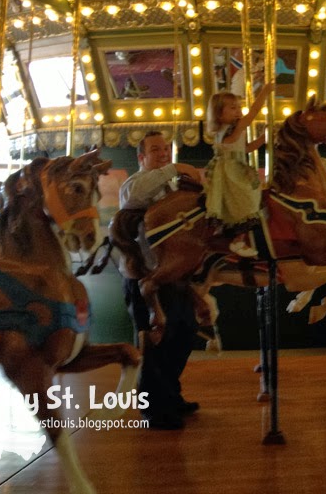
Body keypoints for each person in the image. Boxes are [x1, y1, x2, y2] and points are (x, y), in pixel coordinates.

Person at [119, 130, 202, 430]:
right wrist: (174, 168)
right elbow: (136, 196)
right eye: (156, 150)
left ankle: (170, 395)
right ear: (141, 157)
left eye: (167, 149)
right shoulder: (134, 185)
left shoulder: (170, 191)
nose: (163, 153)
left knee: (184, 334)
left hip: (173, 276)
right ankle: (153, 408)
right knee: (156, 339)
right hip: (143, 276)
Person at [204, 82, 272, 257]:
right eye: (232, 108)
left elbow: (246, 149)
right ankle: (238, 241)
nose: (237, 111)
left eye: (238, 107)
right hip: (231, 172)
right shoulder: (229, 129)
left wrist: (263, 139)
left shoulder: (229, 131)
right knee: (247, 201)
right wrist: (264, 92)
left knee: (248, 200)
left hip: (233, 169)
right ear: (219, 113)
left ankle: (237, 238)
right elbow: (253, 114)